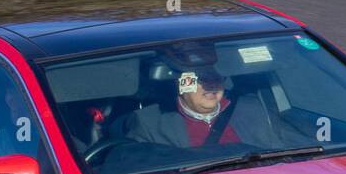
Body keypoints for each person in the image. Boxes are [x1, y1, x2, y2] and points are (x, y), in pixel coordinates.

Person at [118, 64, 287, 150]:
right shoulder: (150, 123)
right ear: (180, 86)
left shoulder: (250, 109)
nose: (211, 85)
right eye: (200, 79)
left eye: (216, 77)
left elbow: (276, 155)